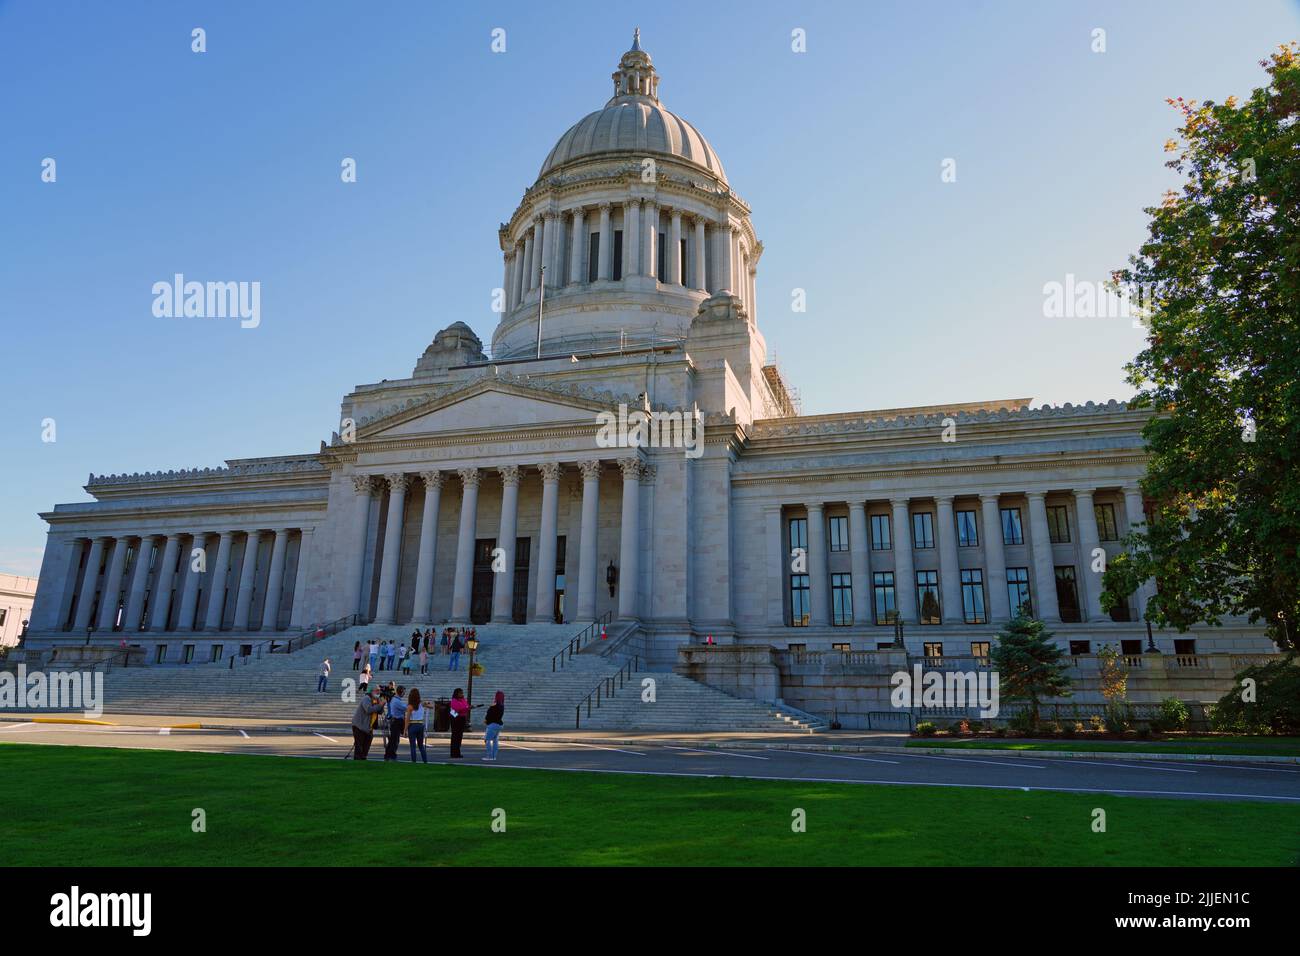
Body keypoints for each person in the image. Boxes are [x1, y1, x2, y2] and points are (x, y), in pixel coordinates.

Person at [351, 689, 384, 760]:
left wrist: (382, 704)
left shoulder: (377, 699)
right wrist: (379, 705)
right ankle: (357, 761)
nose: (378, 692)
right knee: (359, 747)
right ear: (371, 691)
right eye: (376, 691)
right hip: (359, 726)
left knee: (366, 746)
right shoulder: (366, 698)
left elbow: (380, 711)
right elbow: (368, 709)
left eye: (379, 691)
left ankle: (363, 759)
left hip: (369, 727)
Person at [383, 685, 407, 761]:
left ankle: (388, 755)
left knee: (393, 740)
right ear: (401, 692)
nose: (404, 694)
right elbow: (406, 708)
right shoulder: (397, 701)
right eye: (403, 692)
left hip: (396, 721)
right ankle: (391, 755)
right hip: (396, 721)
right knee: (394, 740)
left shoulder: (396, 699)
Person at [406, 688, 428, 763]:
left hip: (412, 725)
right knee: (421, 745)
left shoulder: (410, 706)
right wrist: (426, 703)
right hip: (420, 725)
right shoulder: (421, 704)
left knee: (413, 746)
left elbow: (407, 719)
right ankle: (425, 761)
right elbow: (431, 706)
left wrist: (404, 730)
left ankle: (414, 761)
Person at [482, 691, 505, 762]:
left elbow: (488, 715)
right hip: (499, 724)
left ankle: (489, 756)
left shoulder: (493, 706)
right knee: (495, 741)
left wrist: (486, 720)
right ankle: (494, 756)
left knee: (487, 740)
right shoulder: (502, 706)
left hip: (492, 725)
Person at [448, 688, 469, 758]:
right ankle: (453, 753)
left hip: (462, 718)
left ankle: (458, 752)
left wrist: (468, 707)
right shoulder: (454, 700)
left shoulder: (463, 700)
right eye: (460, 693)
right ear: (456, 693)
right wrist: (465, 708)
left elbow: (466, 706)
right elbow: (458, 709)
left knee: (459, 736)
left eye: (462, 693)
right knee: (455, 736)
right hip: (455, 718)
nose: (461, 694)